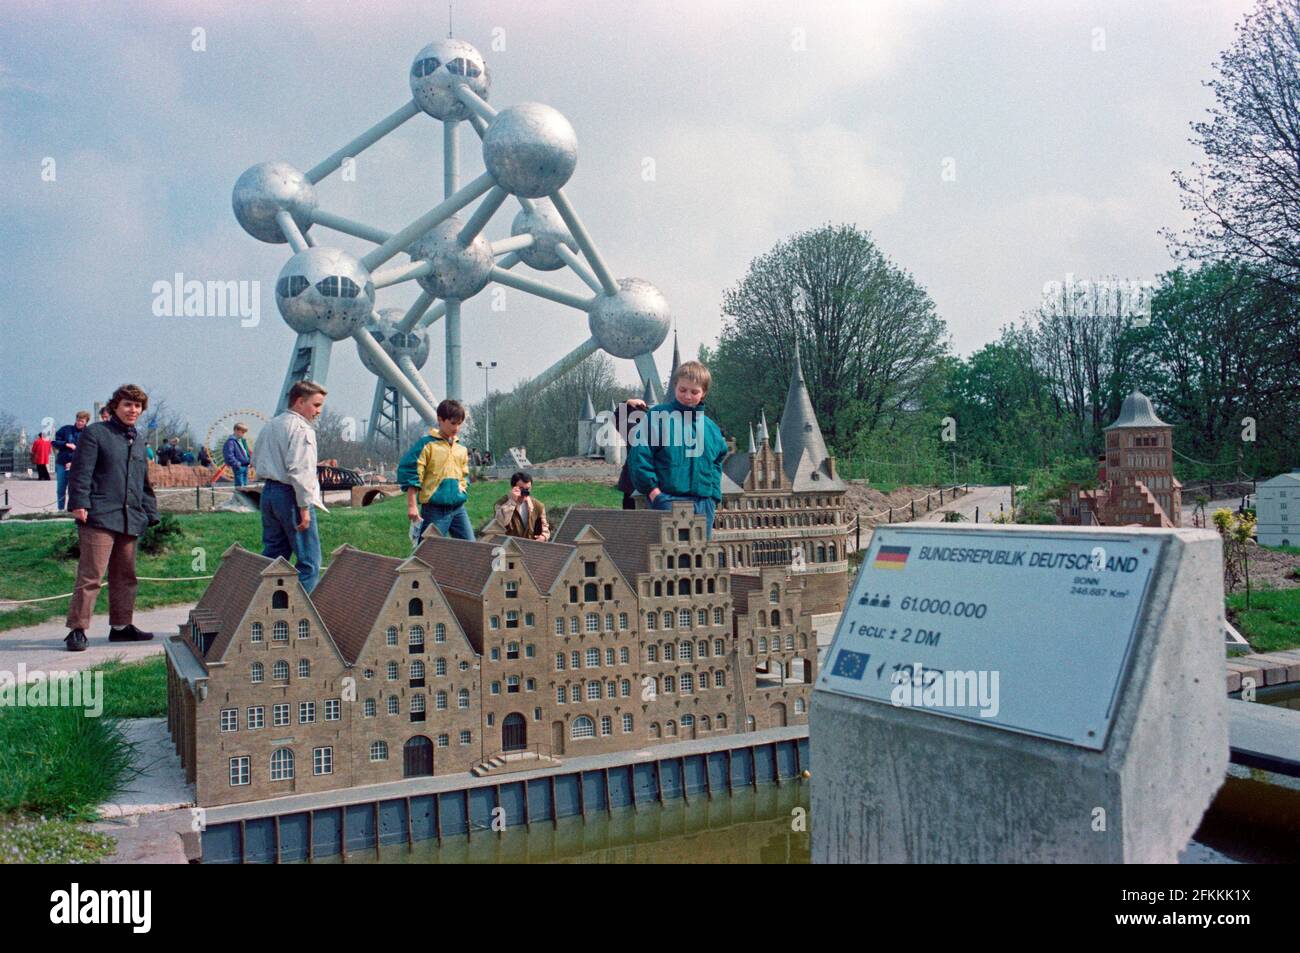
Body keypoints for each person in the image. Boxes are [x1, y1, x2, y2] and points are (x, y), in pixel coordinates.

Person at [63, 384, 160, 652]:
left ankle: (121, 627)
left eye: (138, 406)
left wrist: (151, 512)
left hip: (129, 517)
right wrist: (79, 503)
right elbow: (81, 471)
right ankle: (77, 629)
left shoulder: (138, 440)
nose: (133, 410)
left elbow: (143, 482)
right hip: (99, 516)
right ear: (115, 406)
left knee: (126, 575)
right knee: (91, 574)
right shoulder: (96, 433)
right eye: (128, 404)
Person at [626, 360, 729, 539]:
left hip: (703, 505)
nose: (687, 396)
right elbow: (640, 457)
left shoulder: (711, 429)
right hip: (667, 501)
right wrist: (654, 493)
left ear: (703, 393)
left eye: (694, 391)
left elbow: (717, 463)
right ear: (675, 387)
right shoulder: (657, 417)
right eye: (683, 390)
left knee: (701, 561)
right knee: (668, 561)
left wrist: (712, 498)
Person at [252, 381, 327, 592]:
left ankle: (262, 604)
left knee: (274, 559)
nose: (318, 411)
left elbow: (256, 459)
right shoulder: (302, 429)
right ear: (300, 402)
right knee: (309, 562)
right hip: (292, 496)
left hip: (269, 493)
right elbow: (300, 471)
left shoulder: (271, 425)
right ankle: (303, 615)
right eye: (316, 405)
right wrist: (304, 507)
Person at [399, 399, 472, 542]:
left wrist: (462, 488)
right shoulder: (427, 445)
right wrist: (412, 506)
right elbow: (411, 472)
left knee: (472, 548)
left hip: (458, 509)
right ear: (440, 419)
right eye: (452, 423)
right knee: (426, 552)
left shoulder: (461, 449)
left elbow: (464, 474)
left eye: (459, 423)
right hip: (435, 510)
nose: (456, 428)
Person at [612, 398, 648, 509]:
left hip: (643, 482)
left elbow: (617, 418)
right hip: (633, 482)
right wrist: (627, 402)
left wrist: (627, 403)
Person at [494, 471, 549, 541]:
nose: (525, 492)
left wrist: (543, 537)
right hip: (510, 545)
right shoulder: (501, 503)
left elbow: (544, 526)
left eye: (527, 489)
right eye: (521, 488)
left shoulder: (538, 506)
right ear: (513, 488)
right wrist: (512, 502)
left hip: (530, 546)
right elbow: (500, 523)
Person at [53, 411, 90, 510]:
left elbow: (88, 450)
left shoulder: (88, 433)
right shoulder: (66, 429)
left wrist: (74, 460)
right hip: (62, 463)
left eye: (82, 421)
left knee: (74, 489)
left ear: (86, 422)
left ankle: (72, 509)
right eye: (78, 420)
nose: (79, 423)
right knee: (61, 488)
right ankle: (60, 509)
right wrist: (65, 444)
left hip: (78, 465)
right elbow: (54, 441)